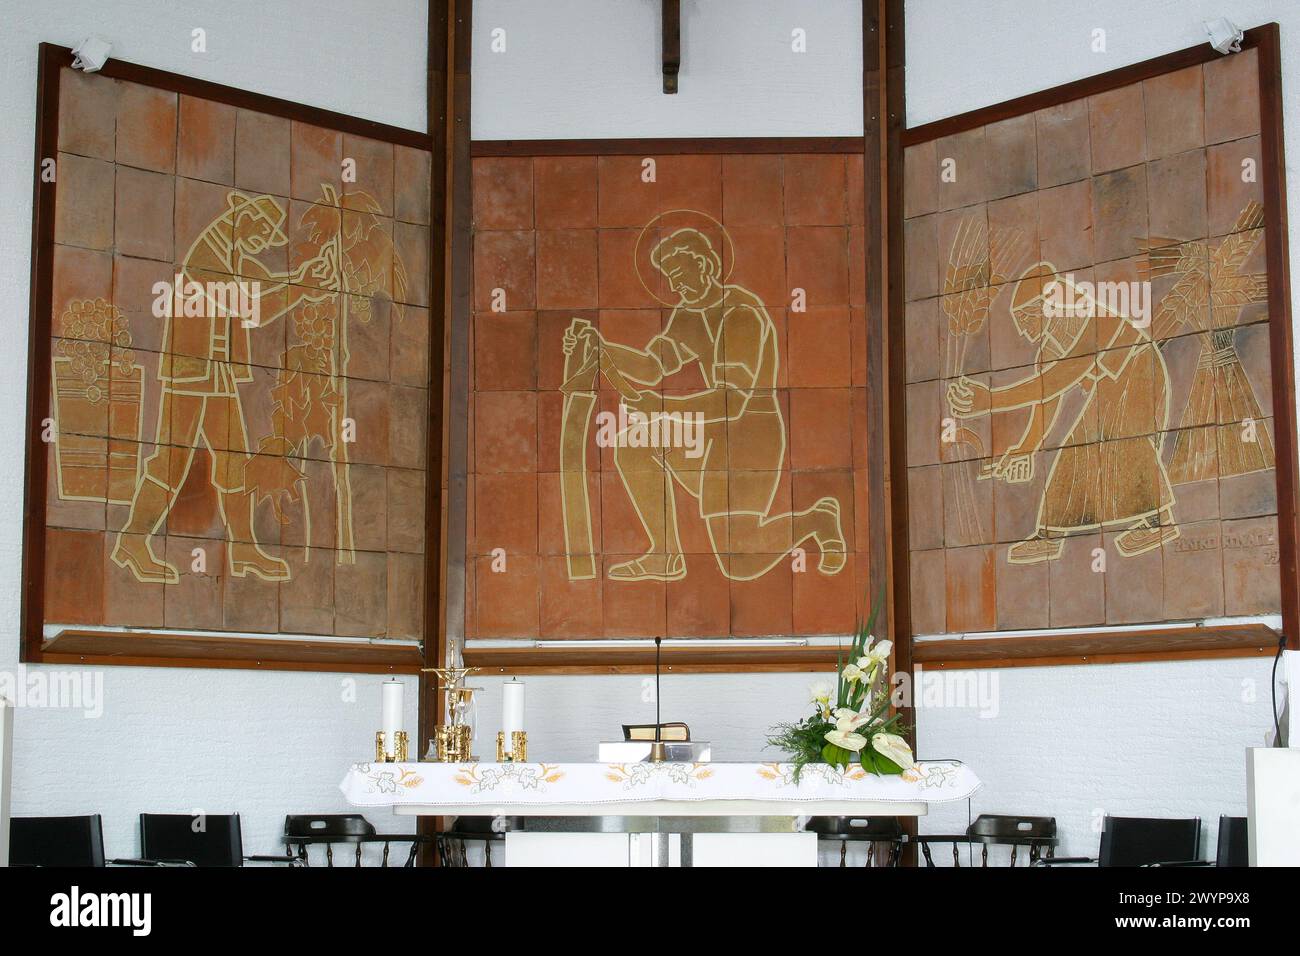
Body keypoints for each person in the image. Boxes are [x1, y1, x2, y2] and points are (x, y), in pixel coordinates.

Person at [564, 226, 845, 582]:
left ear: (705, 265)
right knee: (633, 444)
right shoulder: (689, 314)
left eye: (680, 275)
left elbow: (731, 402)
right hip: (711, 434)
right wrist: (602, 349)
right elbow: (652, 367)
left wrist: (661, 408)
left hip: (749, 437)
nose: (675, 286)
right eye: (670, 278)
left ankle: (816, 520)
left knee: (739, 563)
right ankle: (665, 554)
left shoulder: (740, 314)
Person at [947, 262, 1178, 564]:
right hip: (1112, 385)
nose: (1025, 331)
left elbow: (1053, 383)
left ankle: (1161, 521)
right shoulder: (1051, 346)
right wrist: (1025, 449)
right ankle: (1049, 536)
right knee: (1078, 449)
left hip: (1138, 372)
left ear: (1048, 303)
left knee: (1123, 439)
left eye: (1027, 318)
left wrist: (990, 400)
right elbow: (1046, 401)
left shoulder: (1090, 319)